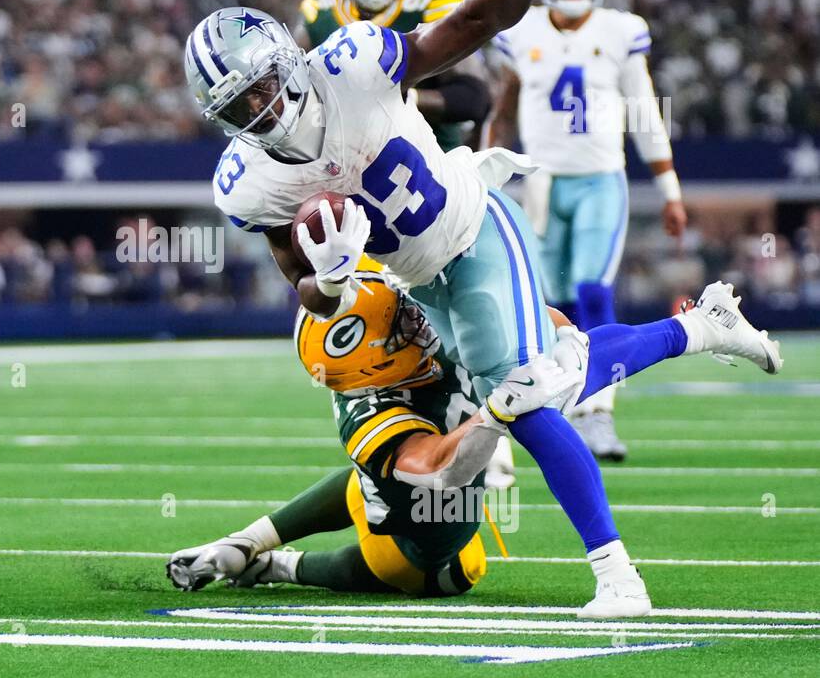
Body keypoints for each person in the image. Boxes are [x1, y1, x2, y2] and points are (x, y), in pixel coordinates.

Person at [189, 0, 675, 616]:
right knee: (554, 376)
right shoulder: (248, 182)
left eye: (261, 84)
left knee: (526, 398)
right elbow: (305, 292)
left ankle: (618, 576)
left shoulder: (352, 60)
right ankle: (700, 331)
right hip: (417, 283)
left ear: (285, 61)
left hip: (474, 227)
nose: (260, 106)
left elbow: (471, 23)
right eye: (238, 103)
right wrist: (326, 281)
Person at [168, 264, 781, 617]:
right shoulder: (371, 408)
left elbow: (560, 331)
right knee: (413, 552)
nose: (416, 320)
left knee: (559, 363)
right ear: (376, 367)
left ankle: (700, 327)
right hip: (417, 549)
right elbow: (439, 472)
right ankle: (280, 565)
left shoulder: (413, 329)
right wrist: (491, 414)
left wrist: (539, 340)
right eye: (401, 326)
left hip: (411, 483)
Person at [482, 0, 688, 461]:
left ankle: (600, 413)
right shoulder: (522, 30)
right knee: (556, 303)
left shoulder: (620, 31)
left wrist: (669, 189)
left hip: (599, 179)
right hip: (542, 184)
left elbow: (643, 112)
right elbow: (502, 111)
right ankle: (574, 402)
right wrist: (481, 175)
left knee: (592, 289)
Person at [295, 0, 490, 151]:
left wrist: (394, 98)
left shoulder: (433, 5)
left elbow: (475, 98)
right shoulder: (319, 11)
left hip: (434, 165)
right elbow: (294, 94)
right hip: (349, 169)